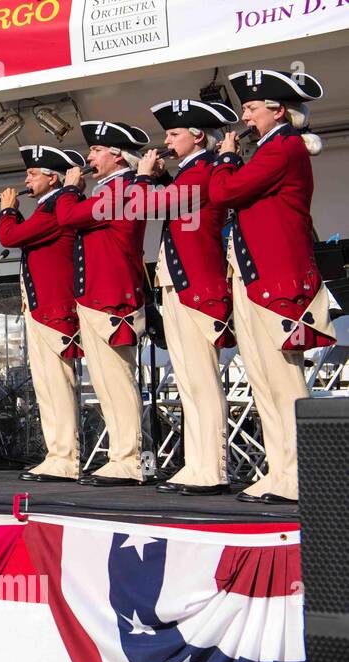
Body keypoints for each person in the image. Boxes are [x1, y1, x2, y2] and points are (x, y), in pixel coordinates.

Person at [210, 69, 334, 505]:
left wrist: (225, 157)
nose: (244, 115)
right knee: (263, 380)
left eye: (250, 107)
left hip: (277, 280)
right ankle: (282, 471)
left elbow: (226, 191)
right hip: (257, 277)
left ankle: (300, 473)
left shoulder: (282, 147)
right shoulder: (269, 147)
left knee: (283, 382)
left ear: (278, 110)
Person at [130, 100, 238, 496]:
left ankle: (212, 468)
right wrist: (159, 180)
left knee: (201, 381)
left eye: (173, 134)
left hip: (197, 287)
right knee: (189, 383)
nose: (166, 141)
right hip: (178, 284)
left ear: (197, 136)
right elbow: (173, 203)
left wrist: (143, 179)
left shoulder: (205, 167)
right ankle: (198, 464)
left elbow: (149, 205)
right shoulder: (189, 172)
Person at [55, 121, 153, 487]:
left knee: (118, 382)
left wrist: (68, 188)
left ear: (116, 155)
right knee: (108, 384)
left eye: (96, 150)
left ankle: (128, 459)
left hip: (112, 298)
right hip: (99, 296)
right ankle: (121, 456)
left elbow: (67, 217)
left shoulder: (122, 188)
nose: (90, 157)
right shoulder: (112, 188)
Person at [0, 146, 85, 482]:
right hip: (40, 308)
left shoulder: (55, 208)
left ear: (53, 177)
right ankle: (56, 454)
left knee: (57, 385)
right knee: (47, 386)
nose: (26, 179)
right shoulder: (46, 208)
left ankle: (66, 457)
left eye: (33, 173)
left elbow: (10, 236)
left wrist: (7, 212)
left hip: (54, 309)